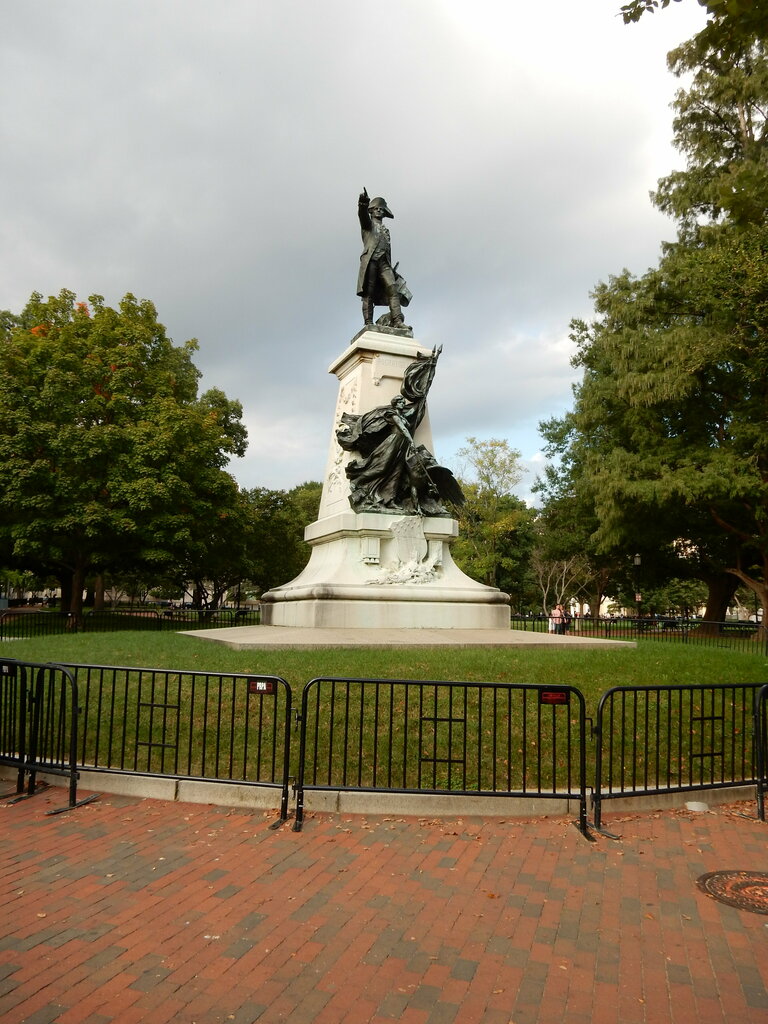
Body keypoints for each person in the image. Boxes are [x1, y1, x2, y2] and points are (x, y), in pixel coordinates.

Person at [356, 188, 411, 329]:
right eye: (376, 208)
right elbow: (362, 215)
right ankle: (368, 322)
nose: (379, 211)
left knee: (393, 289)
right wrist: (363, 203)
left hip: (384, 264)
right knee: (369, 291)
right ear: (371, 211)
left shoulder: (386, 231)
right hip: (371, 262)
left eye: (381, 209)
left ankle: (398, 320)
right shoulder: (368, 226)